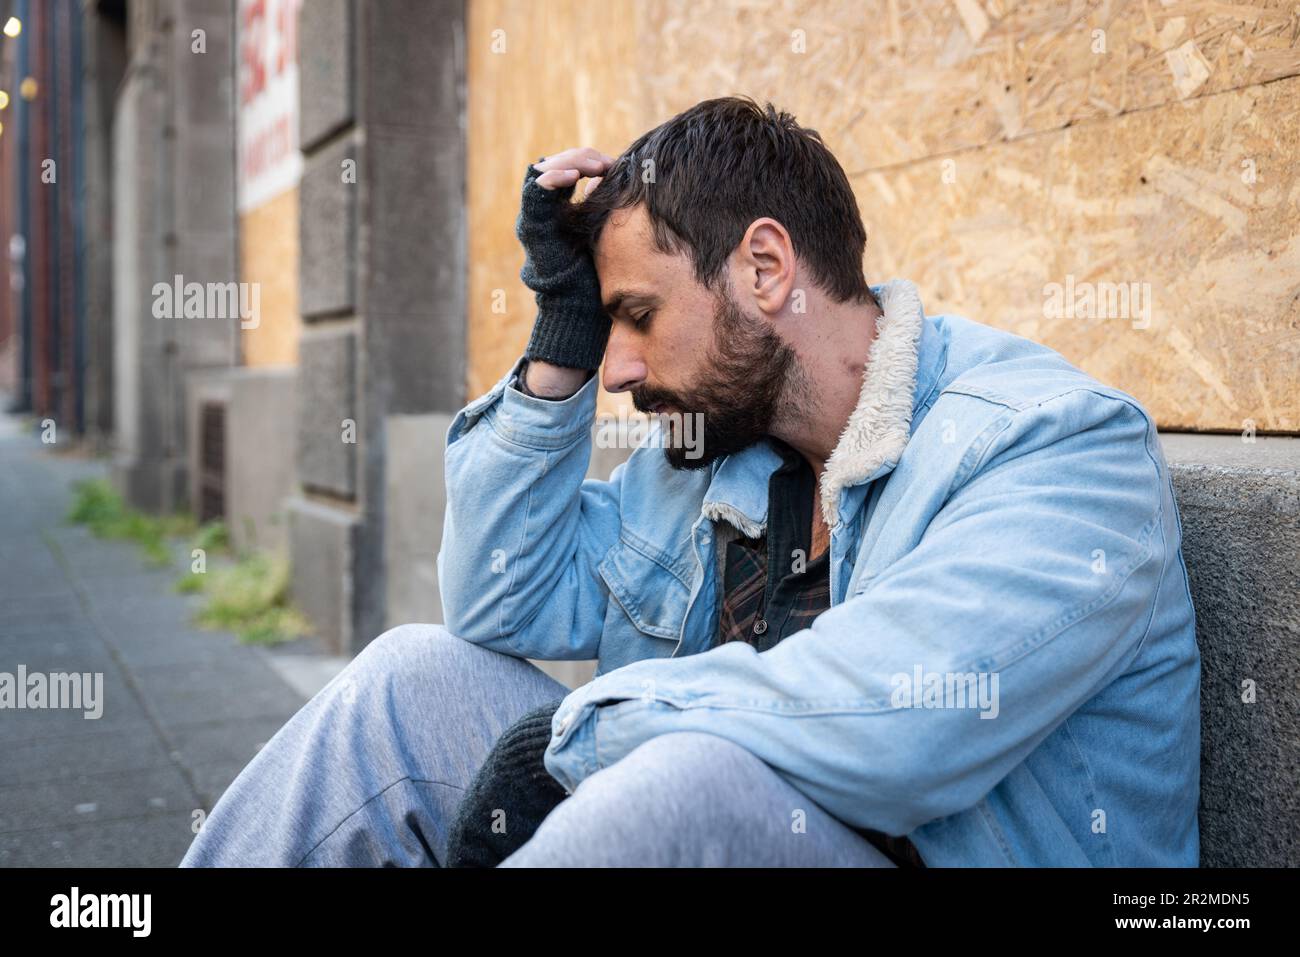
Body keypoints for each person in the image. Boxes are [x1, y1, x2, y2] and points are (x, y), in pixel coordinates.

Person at [181, 96, 1200, 868]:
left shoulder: (1052, 446)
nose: (620, 369)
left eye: (634, 316)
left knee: (684, 782)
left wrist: (573, 739)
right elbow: (495, 596)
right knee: (409, 679)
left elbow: (897, 725)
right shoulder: (719, 452)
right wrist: (561, 338)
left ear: (765, 268)